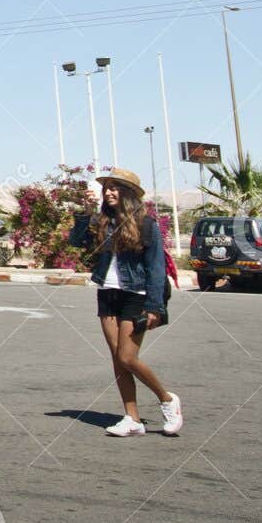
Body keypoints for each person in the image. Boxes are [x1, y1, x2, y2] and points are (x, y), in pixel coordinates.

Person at [69, 168, 183, 438]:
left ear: (128, 193)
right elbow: (76, 241)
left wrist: (154, 306)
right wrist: (85, 212)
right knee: (117, 360)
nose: (108, 192)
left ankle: (167, 400)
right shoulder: (102, 221)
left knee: (127, 357)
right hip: (108, 293)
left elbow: (156, 268)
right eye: (106, 188)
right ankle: (132, 419)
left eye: (114, 188)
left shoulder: (146, 225)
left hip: (136, 295)